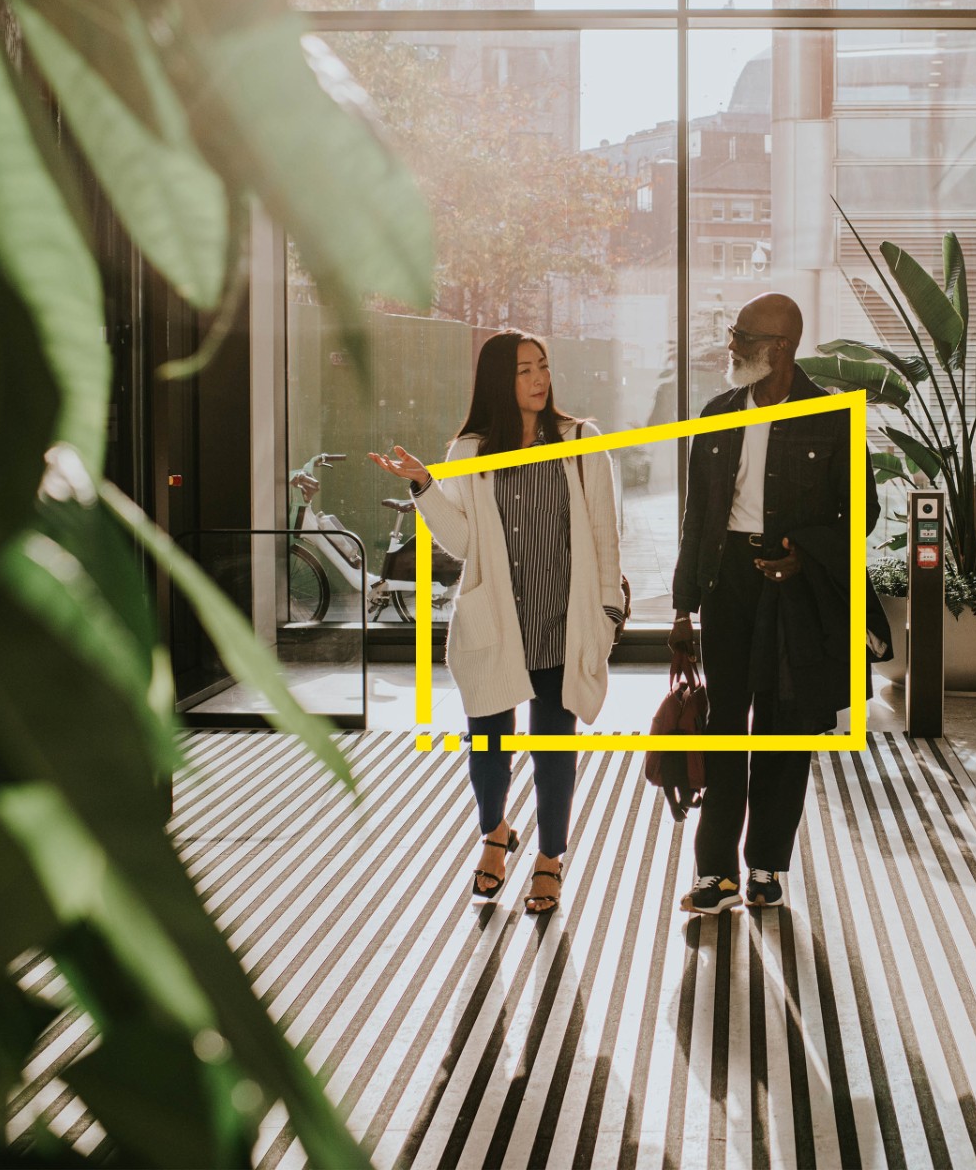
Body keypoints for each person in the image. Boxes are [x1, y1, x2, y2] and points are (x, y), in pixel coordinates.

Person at [370, 331, 625, 914]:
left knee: (554, 744)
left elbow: (606, 536)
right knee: (487, 741)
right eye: (523, 371)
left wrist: (608, 610)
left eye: (543, 367)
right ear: (496, 382)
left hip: (564, 617)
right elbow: (460, 542)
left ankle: (550, 859)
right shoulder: (470, 451)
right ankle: (495, 834)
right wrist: (424, 486)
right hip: (495, 618)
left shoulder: (582, 441)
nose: (538, 379)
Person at [668, 292, 887, 914]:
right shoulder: (716, 414)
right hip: (727, 583)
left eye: (741, 336)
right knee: (724, 724)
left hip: (795, 585)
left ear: (780, 348)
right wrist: (683, 612)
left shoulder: (833, 416)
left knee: (786, 728)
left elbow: (863, 511)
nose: (730, 345)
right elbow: (696, 519)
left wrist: (806, 555)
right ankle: (716, 874)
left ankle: (765, 867)